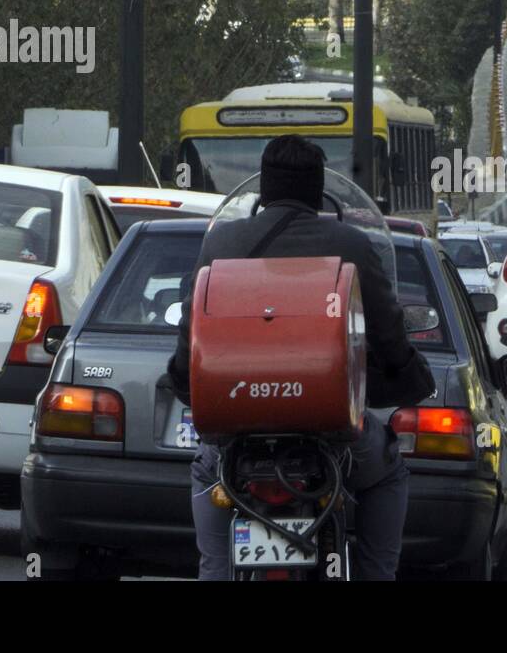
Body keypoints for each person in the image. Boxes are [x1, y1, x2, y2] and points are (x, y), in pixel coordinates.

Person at [167, 135, 435, 581]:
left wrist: (180, 379)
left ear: (263, 191)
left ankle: (215, 574)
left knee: (206, 472)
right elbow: (389, 335)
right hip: (332, 437)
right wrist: (409, 374)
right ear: (318, 191)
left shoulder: (221, 244)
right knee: (388, 473)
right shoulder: (350, 243)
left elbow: (190, 334)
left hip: (238, 437)